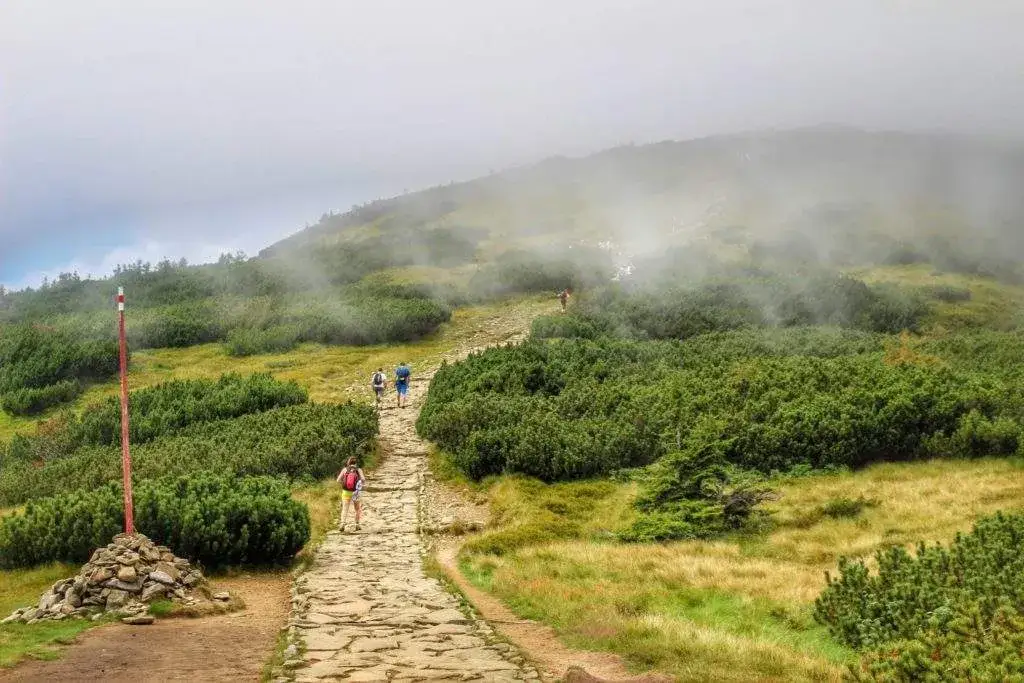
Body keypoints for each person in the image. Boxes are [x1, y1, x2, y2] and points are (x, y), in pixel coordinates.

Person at [336, 456, 365, 532]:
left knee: (345, 509)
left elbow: (338, 480)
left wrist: (344, 483)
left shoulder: (345, 470)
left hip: (346, 492)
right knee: (357, 509)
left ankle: (342, 524)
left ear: (348, 462)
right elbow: (363, 479)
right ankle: (357, 525)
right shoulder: (358, 470)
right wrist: (359, 484)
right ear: (356, 463)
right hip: (356, 492)